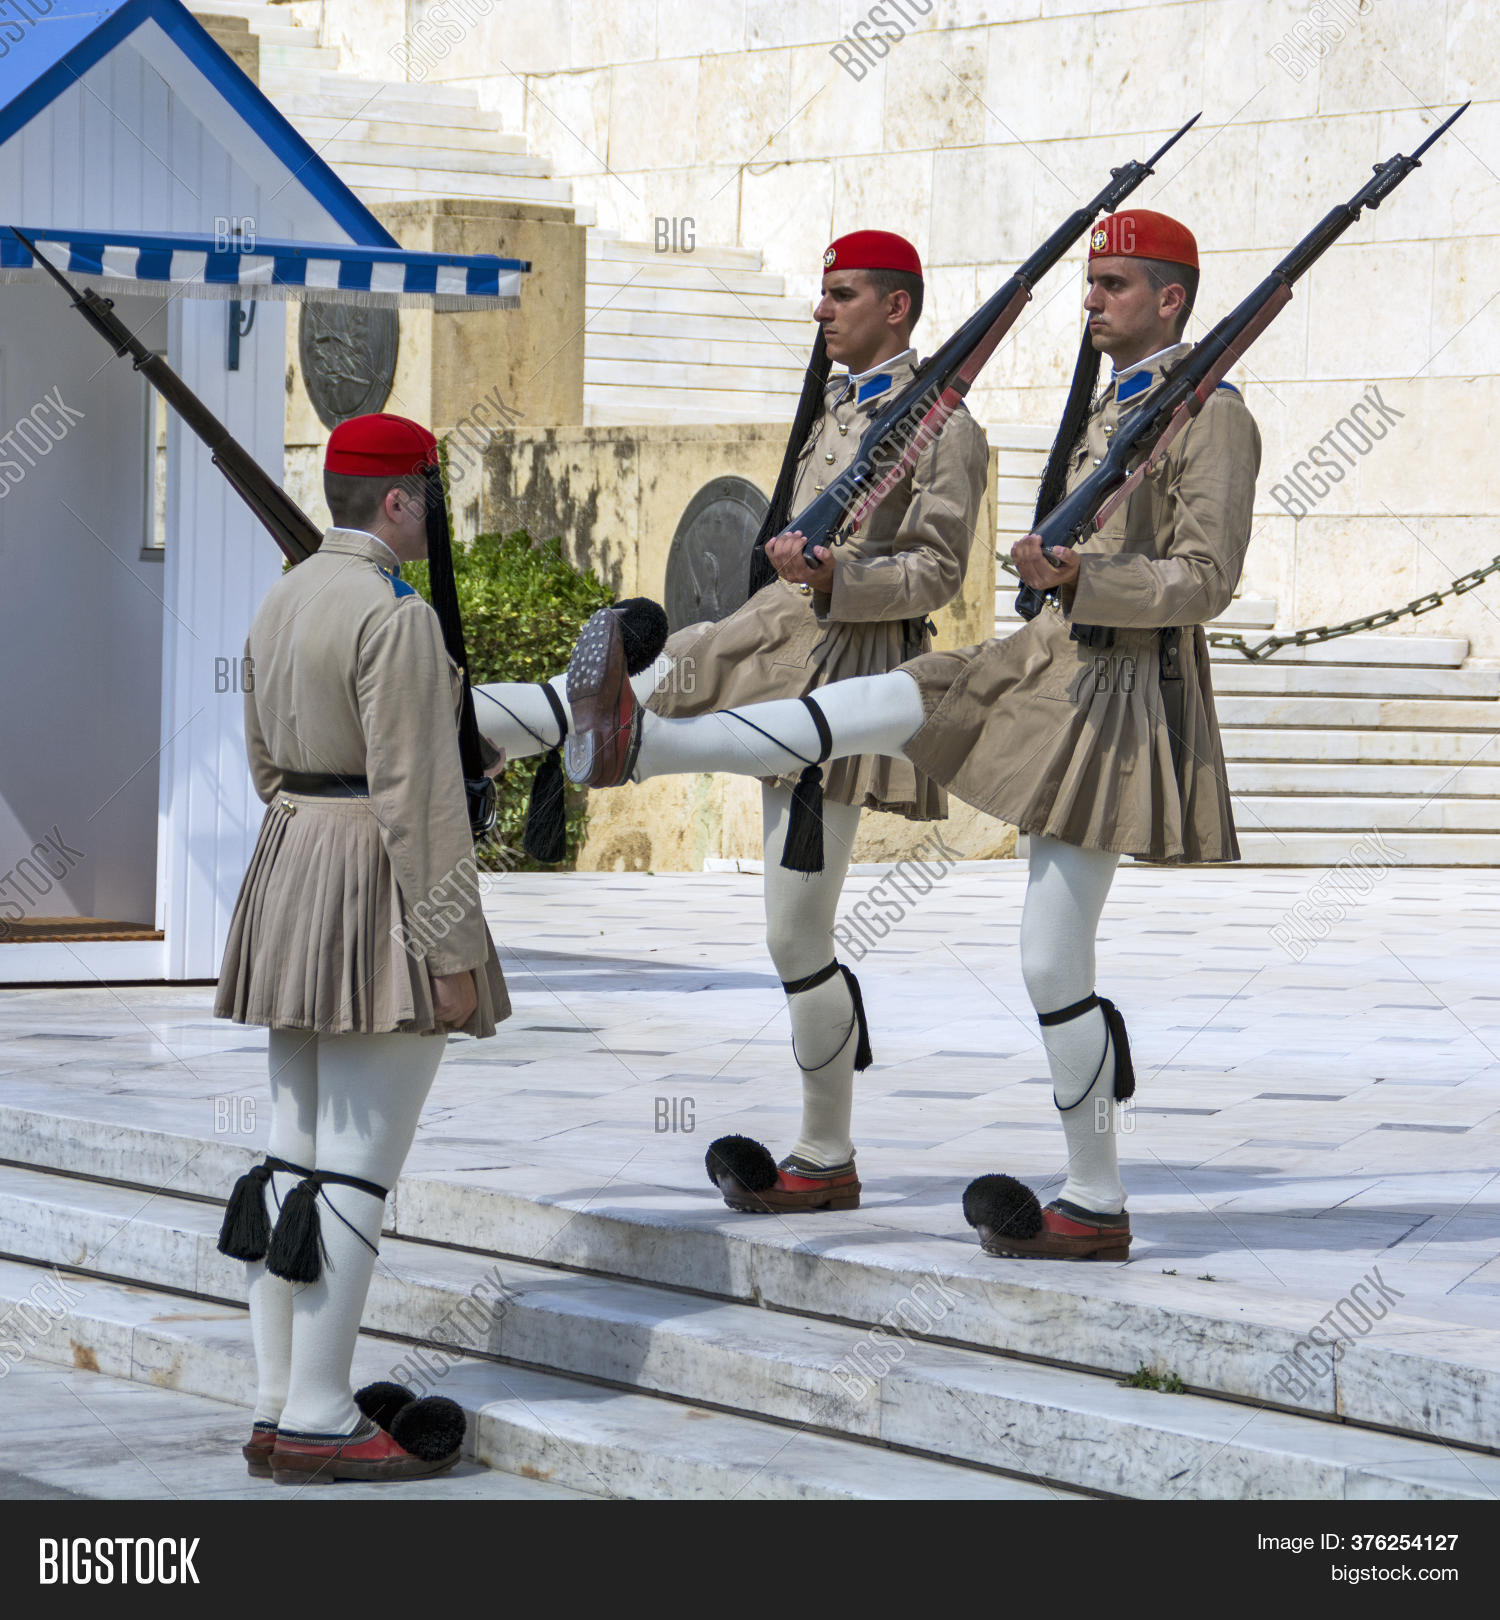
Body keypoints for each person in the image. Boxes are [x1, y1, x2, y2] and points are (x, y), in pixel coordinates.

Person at [565, 211, 1260, 1259]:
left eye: (1113, 285)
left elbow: (1206, 579)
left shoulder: (1208, 419)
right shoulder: (1114, 407)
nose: (1091, 301)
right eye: (1090, 282)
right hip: (1039, 666)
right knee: (895, 784)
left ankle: (1095, 1197)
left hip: (1119, 694)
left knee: (1045, 955)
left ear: (1171, 300)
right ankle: (833, 1151)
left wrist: (1074, 574)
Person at [474, 231, 988, 1215]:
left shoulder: (944, 427)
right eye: (822, 293)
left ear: (898, 311)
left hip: (850, 666)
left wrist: (842, 574)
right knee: (627, 689)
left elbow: (936, 571)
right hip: (770, 640)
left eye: (841, 296)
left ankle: (826, 1152)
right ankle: (491, 728)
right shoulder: (838, 411)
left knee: (795, 933)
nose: (821, 311)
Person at [213, 412, 508, 1479]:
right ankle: (324, 1412)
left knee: (289, 1159)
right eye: (426, 495)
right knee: (355, 1172)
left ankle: (273, 1397)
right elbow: (424, 802)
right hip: (377, 883)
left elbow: (259, 760)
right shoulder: (397, 617)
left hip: (288, 864)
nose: (432, 514)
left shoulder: (282, 596)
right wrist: (452, 953)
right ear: (396, 501)